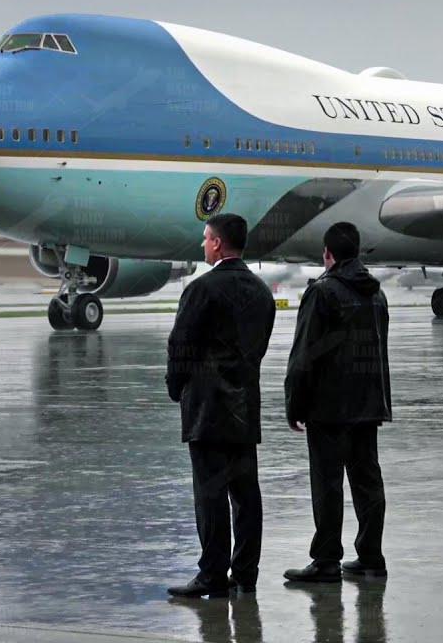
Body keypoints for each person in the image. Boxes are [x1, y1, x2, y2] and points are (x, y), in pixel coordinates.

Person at [166, 213, 277, 597]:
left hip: (208, 408)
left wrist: (176, 387)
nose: (201, 245)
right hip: (244, 404)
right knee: (246, 495)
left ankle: (212, 573)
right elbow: (258, 348)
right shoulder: (262, 292)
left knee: (210, 494)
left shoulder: (202, 289)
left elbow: (180, 345)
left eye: (204, 239)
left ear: (216, 243)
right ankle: (245, 574)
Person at [283, 222, 393, 583]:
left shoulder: (323, 292)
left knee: (328, 485)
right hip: (368, 404)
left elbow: (304, 355)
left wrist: (294, 404)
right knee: (367, 481)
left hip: (329, 408)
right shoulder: (376, 294)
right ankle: (372, 558)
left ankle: (327, 560)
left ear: (327, 254)